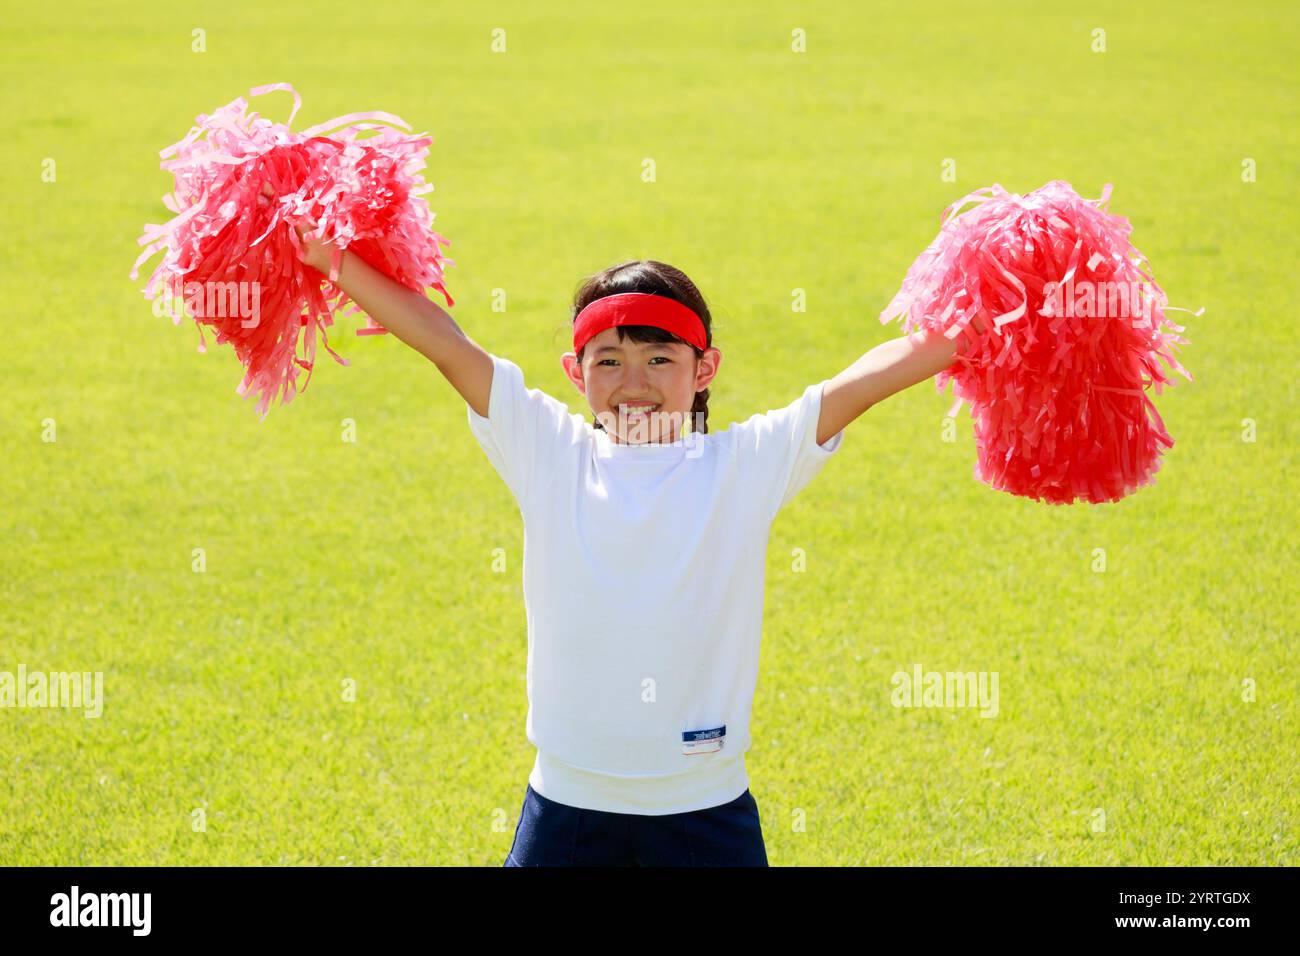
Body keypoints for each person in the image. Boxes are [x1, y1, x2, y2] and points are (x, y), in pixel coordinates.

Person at [292, 226, 982, 865]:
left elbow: (863, 383)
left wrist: (982, 324)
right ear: (575, 371)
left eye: (659, 359)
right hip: (566, 808)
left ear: (704, 368)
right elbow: (445, 344)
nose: (634, 384)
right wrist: (333, 260)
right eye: (609, 361)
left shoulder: (745, 463)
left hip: (705, 808)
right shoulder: (548, 450)